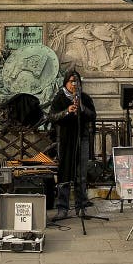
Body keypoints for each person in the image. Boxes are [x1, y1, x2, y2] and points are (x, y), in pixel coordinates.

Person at [49, 69, 97, 222]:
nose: (74, 84)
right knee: (64, 173)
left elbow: (93, 115)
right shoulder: (59, 98)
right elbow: (52, 116)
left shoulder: (84, 98)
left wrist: (81, 108)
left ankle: (81, 206)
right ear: (66, 82)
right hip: (64, 140)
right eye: (71, 81)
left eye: (76, 82)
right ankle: (63, 208)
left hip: (81, 138)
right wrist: (67, 111)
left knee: (81, 175)